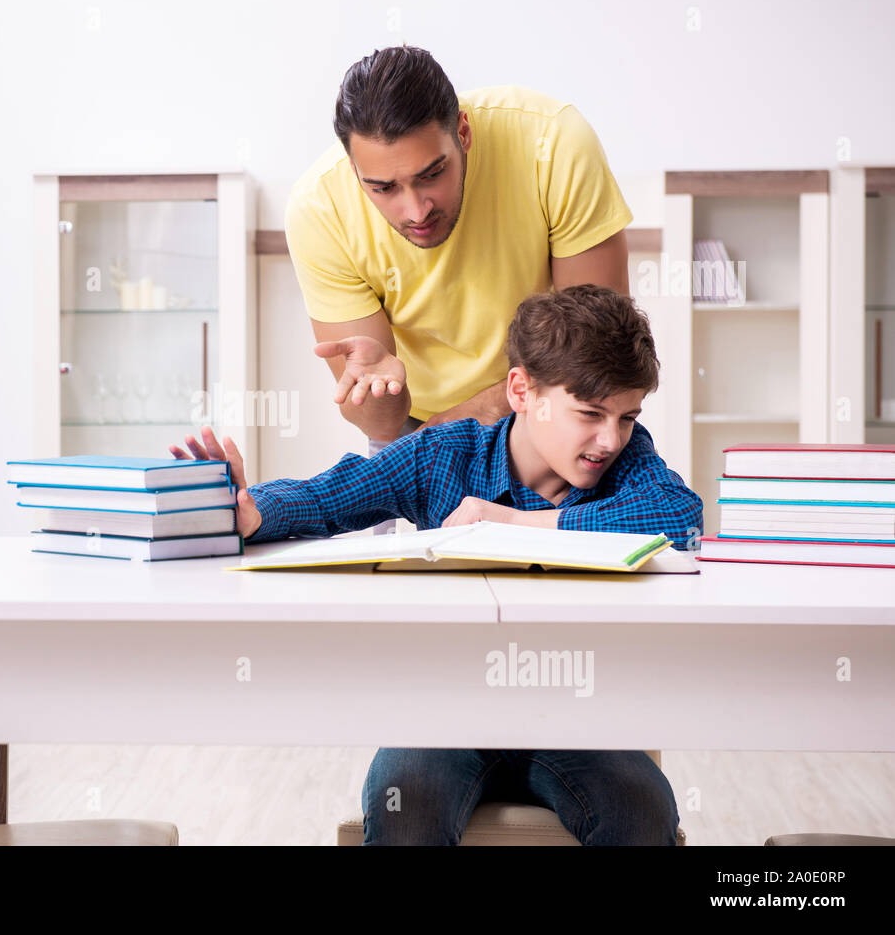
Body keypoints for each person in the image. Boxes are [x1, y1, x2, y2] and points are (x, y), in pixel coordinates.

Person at [168, 284, 702, 845]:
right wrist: (254, 515)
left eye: (627, 417)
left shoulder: (629, 455)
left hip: (577, 717)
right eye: (590, 414)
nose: (610, 438)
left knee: (640, 808)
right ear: (521, 390)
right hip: (447, 712)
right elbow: (330, 496)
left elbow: (681, 516)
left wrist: (511, 527)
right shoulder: (442, 455)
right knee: (407, 805)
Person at [286, 46, 633, 532]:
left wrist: (459, 427)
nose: (416, 210)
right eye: (383, 188)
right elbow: (382, 429)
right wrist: (385, 395)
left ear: (464, 133)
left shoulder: (553, 142)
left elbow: (599, 354)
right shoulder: (319, 211)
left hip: (549, 422)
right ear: (353, 171)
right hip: (419, 440)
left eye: (432, 174)